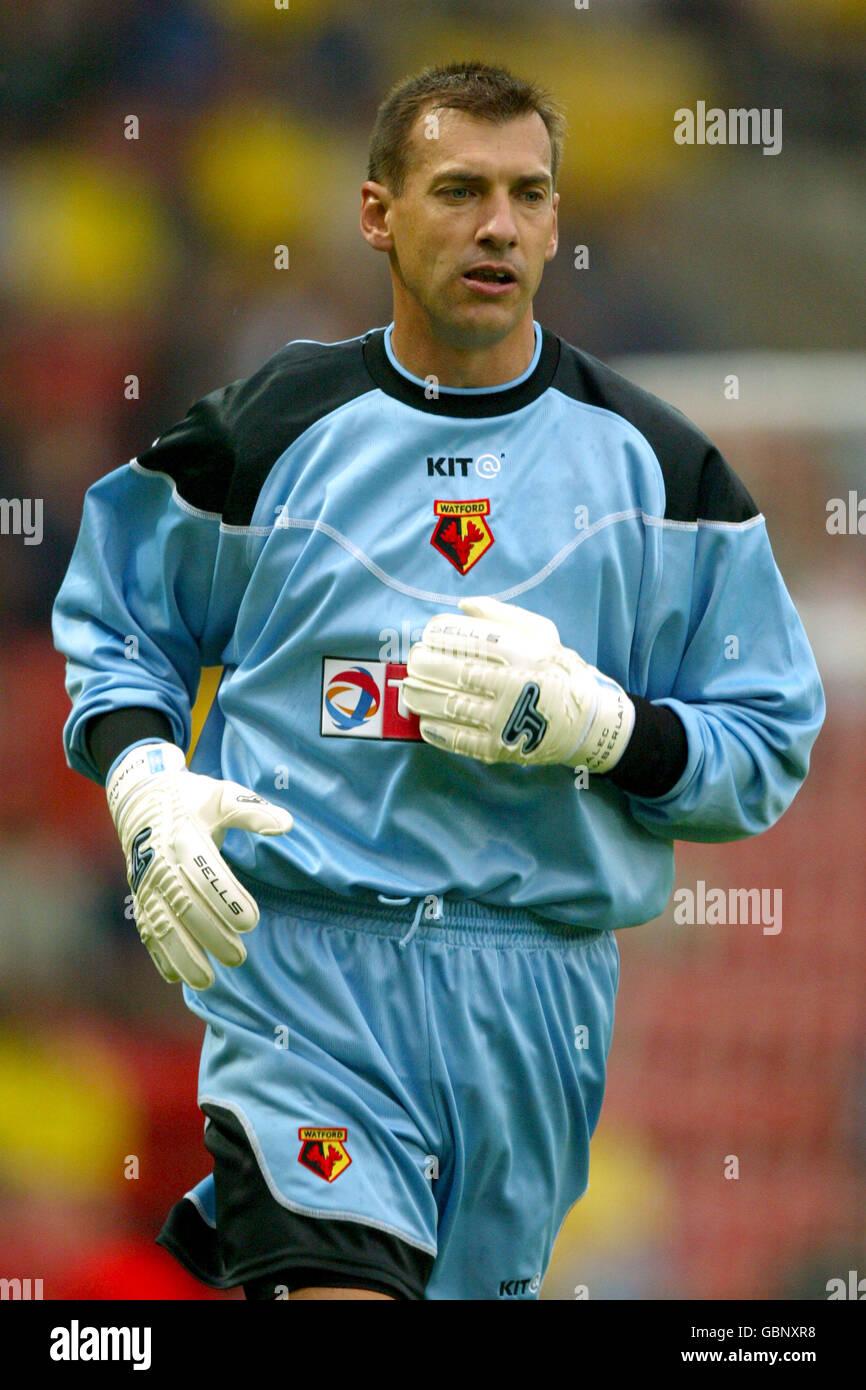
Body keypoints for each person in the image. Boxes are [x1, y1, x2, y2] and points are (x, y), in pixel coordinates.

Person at [52, 61, 825, 1301]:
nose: (498, 225)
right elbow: (118, 617)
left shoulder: (662, 475)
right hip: (308, 974)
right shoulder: (264, 432)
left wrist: (609, 727)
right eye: (459, 189)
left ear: (557, 222)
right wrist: (147, 780)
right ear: (377, 214)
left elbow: (765, 743)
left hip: (536, 996)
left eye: (528, 194)